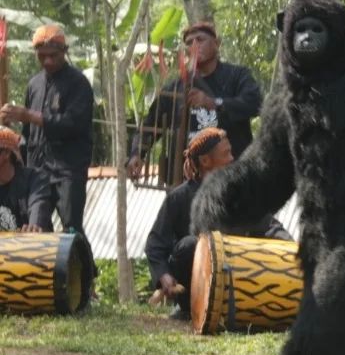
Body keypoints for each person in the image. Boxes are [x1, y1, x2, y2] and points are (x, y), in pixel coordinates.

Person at [145, 128, 291, 320]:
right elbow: (155, 245)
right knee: (189, 246)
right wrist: (164, 276)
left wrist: (292, 249)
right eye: (226, 154)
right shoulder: (178, 198)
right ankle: (190, 309)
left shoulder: (240, 194)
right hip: (194, 288)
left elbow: (270, 226)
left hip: (237, 286)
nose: (232, 159)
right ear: (205, 161)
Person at [127, 21, 263, 181]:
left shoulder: (236, 75)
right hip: (186, 182)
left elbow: (255, 103)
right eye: (189, 43)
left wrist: (214, 103)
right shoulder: (175, 88)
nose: (194, 46)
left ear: (217, 43)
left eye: (200, 39)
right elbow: (149, 125)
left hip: (232, 178)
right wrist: (136, 153)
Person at [0, 24, 94, 233]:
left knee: (71, 229)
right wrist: (8, 137)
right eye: (42, 56)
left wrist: (29, 115)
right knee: (35, 227)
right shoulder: (34, 85)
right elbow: (27, 133)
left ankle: (86, 266)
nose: (48, 61)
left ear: (64, 52)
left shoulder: (79, 83)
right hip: (37, 171)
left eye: (53, 55)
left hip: (68, 170)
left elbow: (72, 124)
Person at [0, 127, 52, 232]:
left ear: (6, 153)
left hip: (33, 246)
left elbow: (38, 205)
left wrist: (34, 226)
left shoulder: (35, 178)